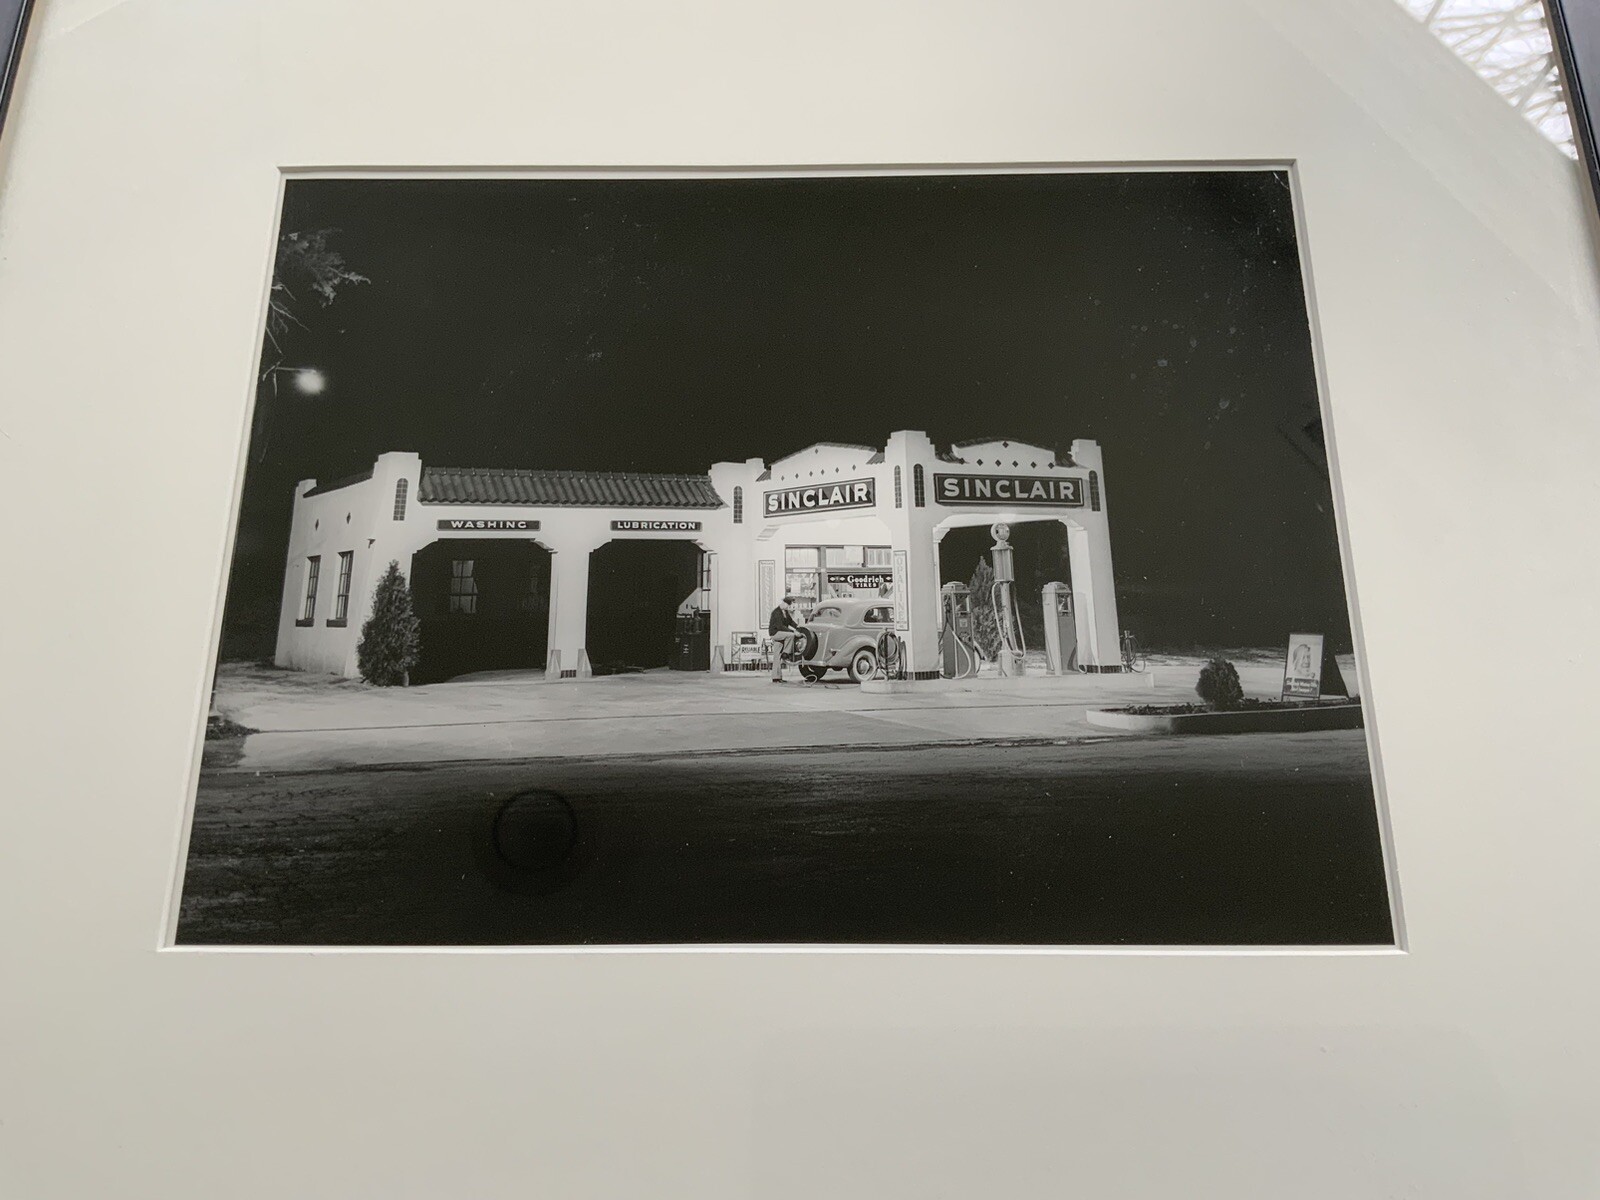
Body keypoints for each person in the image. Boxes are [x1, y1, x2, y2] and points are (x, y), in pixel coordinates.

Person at [769, 594, 803, 683]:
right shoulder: (776, 613)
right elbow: (780, 626)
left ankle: (776, 678)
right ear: (784, 603)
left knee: (777, 656)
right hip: (775, 633)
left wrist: (798, 627)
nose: (789, 607)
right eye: (788, 605)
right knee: (791, 635)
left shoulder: (785, 612)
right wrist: (793, 632)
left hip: (780, 634)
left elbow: (790, 622)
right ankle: (786, 653)